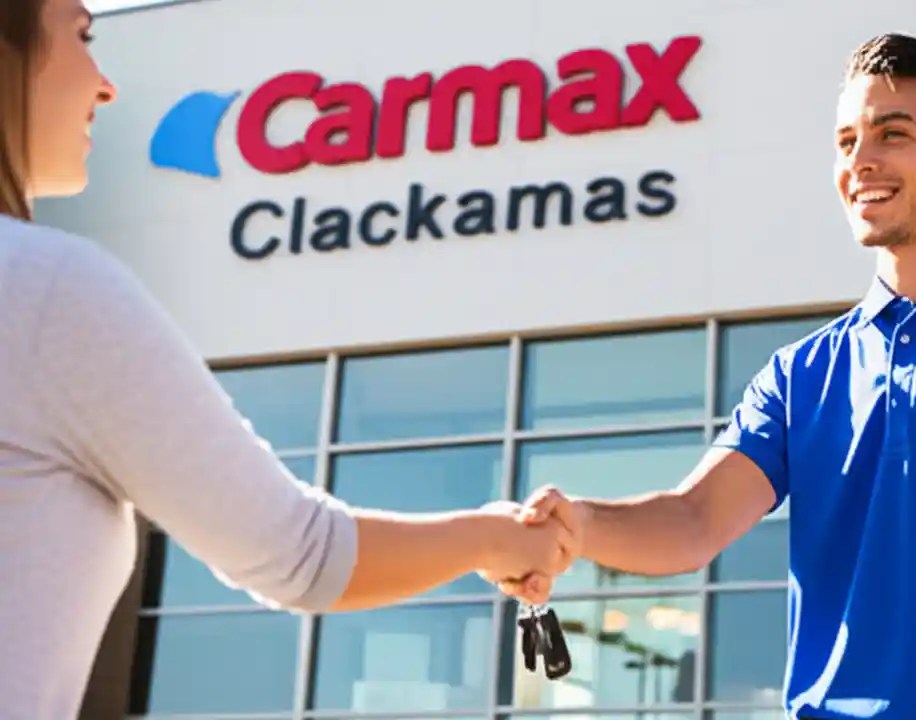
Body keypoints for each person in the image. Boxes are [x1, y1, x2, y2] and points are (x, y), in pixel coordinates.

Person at [494, 33, 916, 720]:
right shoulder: (800, 374)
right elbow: (692, 521)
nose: (861, 161)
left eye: (893, 134)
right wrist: (574, 525)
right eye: (846, 142)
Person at [0, 1, 570, 716]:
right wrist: (492, 540)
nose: (106, 84)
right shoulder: (46, 290)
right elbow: (303, 557)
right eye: (82, 38)